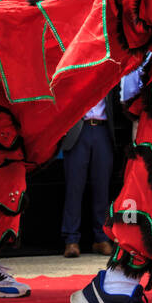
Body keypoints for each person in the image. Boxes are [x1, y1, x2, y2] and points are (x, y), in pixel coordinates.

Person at [61, 94, 117, 259]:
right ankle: (71, 239)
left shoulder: (108, 70)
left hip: (103, 129)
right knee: (74, 188)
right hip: (79, 130)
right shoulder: (73, 69)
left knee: (102, 188)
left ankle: (101, 237)